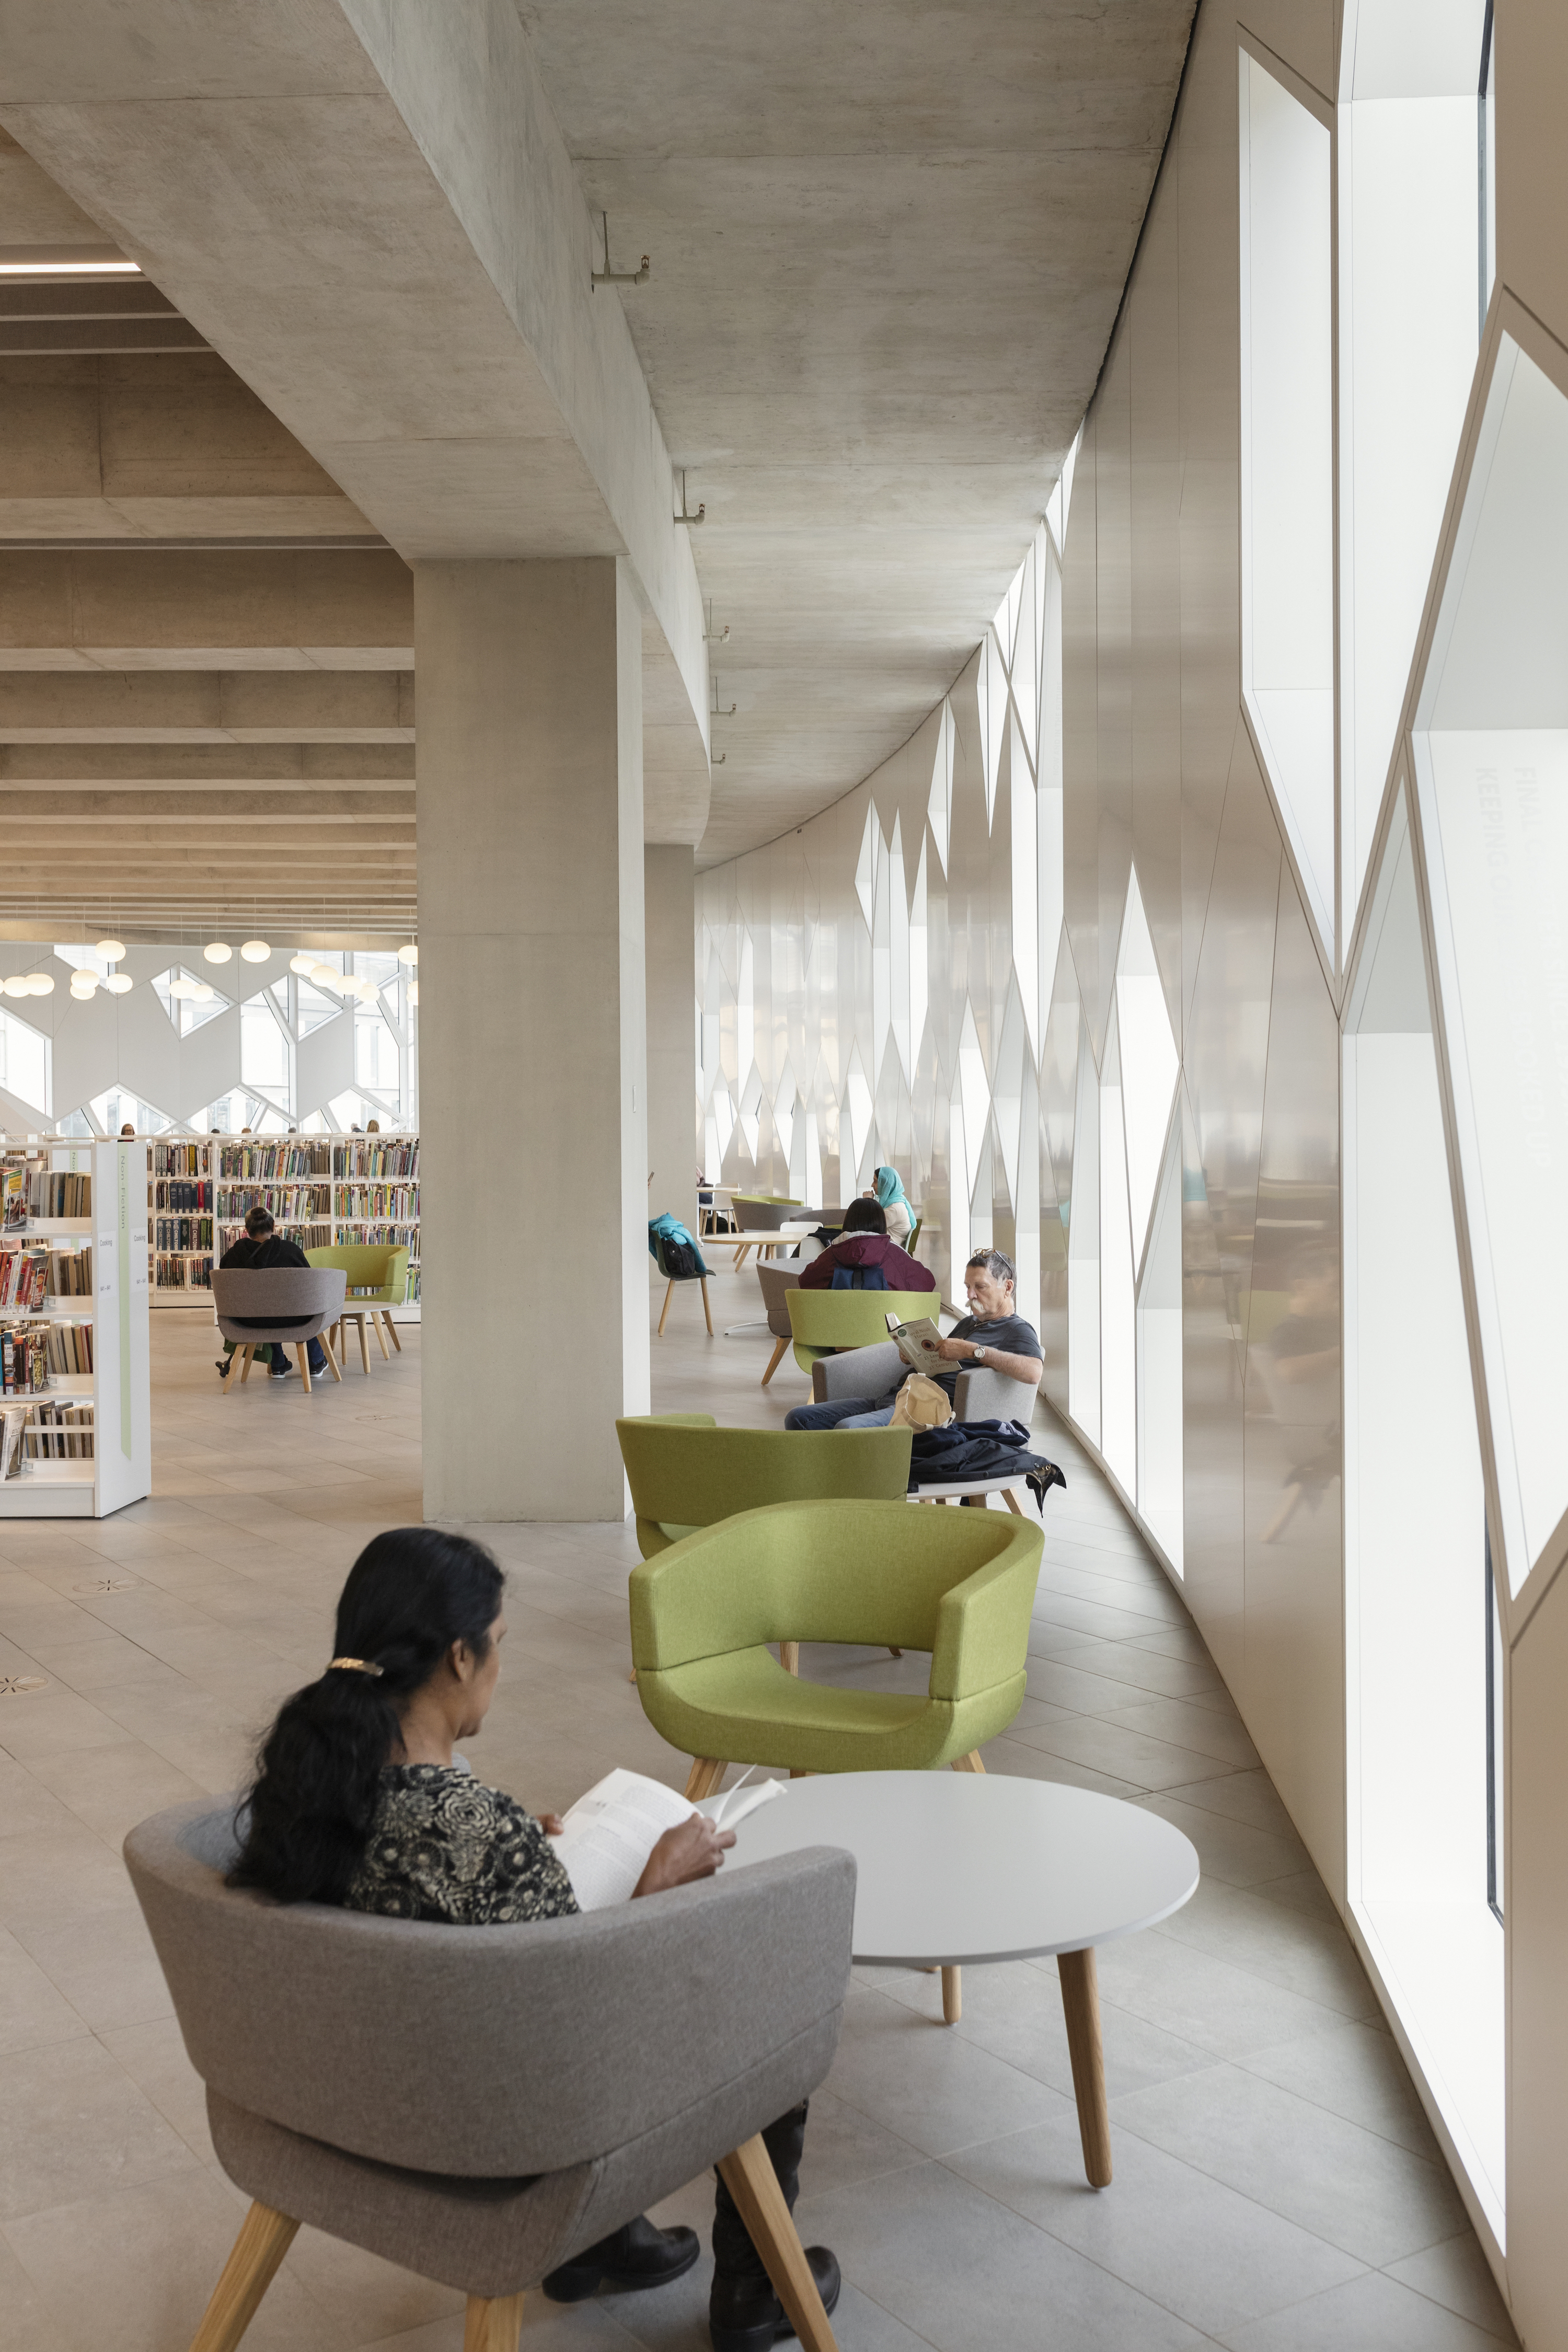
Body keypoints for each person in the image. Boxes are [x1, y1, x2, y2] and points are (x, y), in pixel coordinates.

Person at [228, 1529, 840, 2350]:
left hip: (346, 2101)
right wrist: (657, 1881)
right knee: (772, 2007)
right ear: (457, 1658)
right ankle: (754, 2293)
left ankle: (599, 2245)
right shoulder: (479, 1830)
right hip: (508, 2132)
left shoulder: (306, 1795)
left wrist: (532, 1857)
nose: (498, 1667)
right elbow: (579, 1998)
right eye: (499, 1646)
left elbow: (441, 1917)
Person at [785, 1246, 1043, 1431]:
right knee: (798, 1417)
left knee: (849, 1428)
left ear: (1007, 1288)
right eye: (967, 1287)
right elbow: (939, 1365)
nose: (971, 1295)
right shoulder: (968, 1322)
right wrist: (915, 1354)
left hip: (926, 1410)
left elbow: (1034, 1373)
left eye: (980, 1287)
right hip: (897, 1396)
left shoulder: (1017, 1330)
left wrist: (972, 1350)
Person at [215, 1203, 331, 1382]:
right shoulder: (290, 1250)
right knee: (291, 1306)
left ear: (247, 1230)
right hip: (294, 1317)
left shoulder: (233, 1255)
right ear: (274, 1227)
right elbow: (309, 1286)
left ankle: (278, 1365)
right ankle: (316, 1363)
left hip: (248, 1320)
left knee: (265, 1306)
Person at [798, 1196, 933, 1292]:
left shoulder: (831, 1254)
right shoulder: (896, 1255)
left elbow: (805, 1282)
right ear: (881, 1223)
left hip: (837, 1331)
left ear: (848, 1223)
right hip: (885, 1332)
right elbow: (927, 1283)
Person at [863, 1166, 914, 1245]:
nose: (872, 1185)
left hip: (888, 1251)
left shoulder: (894, 1209)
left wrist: (867, 1201)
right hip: (887, 1248)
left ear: (885, 1183)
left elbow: (868, 1227)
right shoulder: (895, 1203)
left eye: (875, 1181)